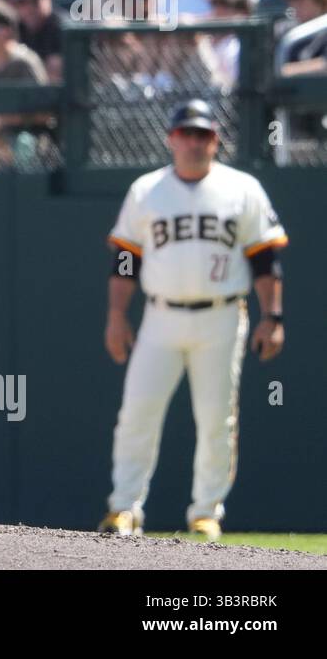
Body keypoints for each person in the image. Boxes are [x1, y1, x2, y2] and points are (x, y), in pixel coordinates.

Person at [100, 99, 287, 541]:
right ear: (171, 138)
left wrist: (273, 316)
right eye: (186, 133)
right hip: (160, 315)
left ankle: (206, 512)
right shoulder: (146, 190)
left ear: (215, 140)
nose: (194, 142)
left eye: (202, 134)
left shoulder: (242, 188)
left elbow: (265, 260)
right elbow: (127, 260)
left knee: (216, 417)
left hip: (221, 316)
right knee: (137, 414)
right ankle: (124, 508)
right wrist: (116, 316)